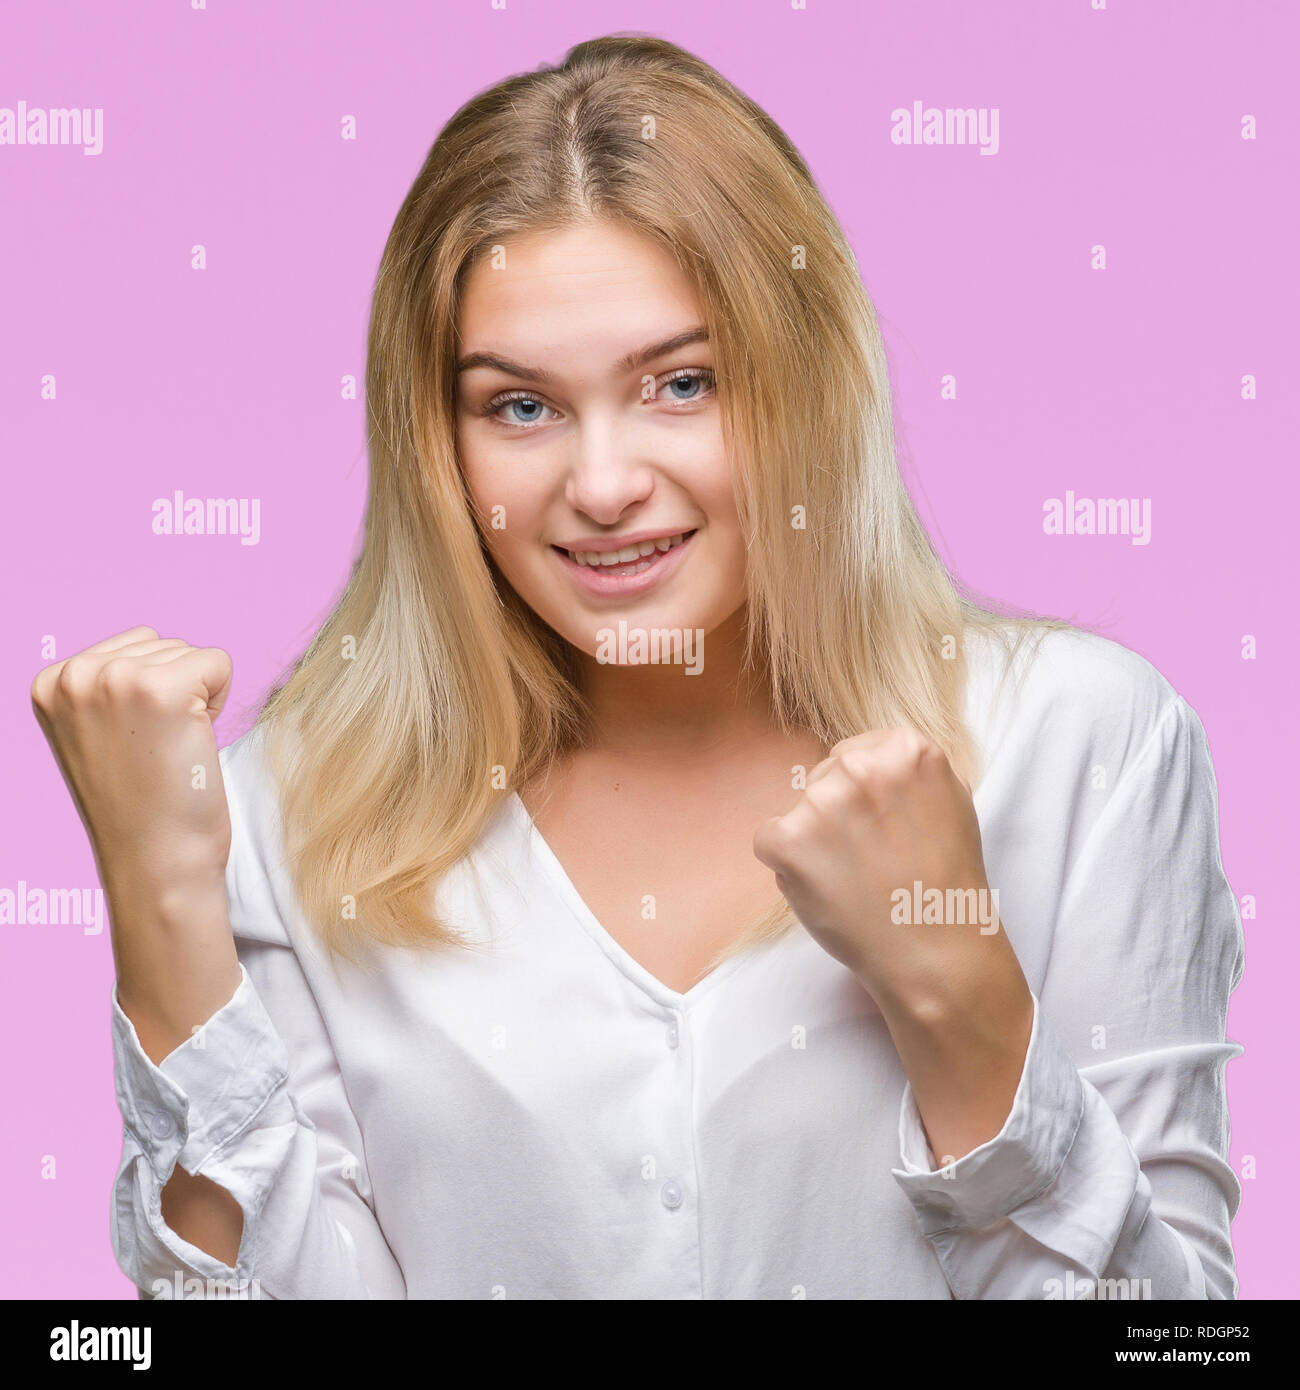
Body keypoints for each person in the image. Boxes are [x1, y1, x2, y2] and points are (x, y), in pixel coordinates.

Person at [32, 34, 1243, 1300]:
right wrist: (162, 890)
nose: (602, 486)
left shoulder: (1085, 746)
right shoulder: (290, 815)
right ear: (435, 440)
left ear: (804, 382)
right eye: (519, 405)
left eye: (680, 383)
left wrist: (963, 1011)